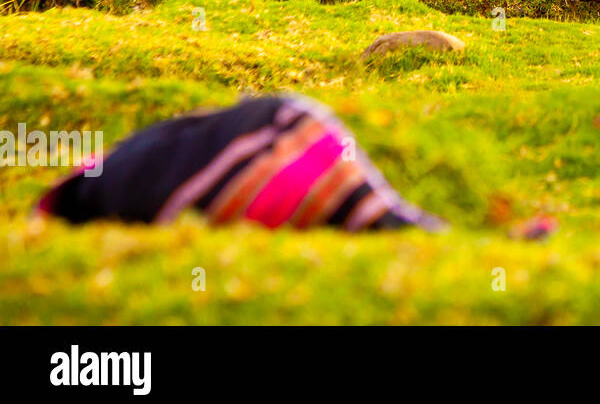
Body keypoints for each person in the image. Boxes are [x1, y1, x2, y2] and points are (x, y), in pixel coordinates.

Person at [35, 93, 447, 231]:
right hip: (287, 122)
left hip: (279, 129)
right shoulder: (119, 179)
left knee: (377, 218)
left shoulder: (116, 185)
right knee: (381, 219)